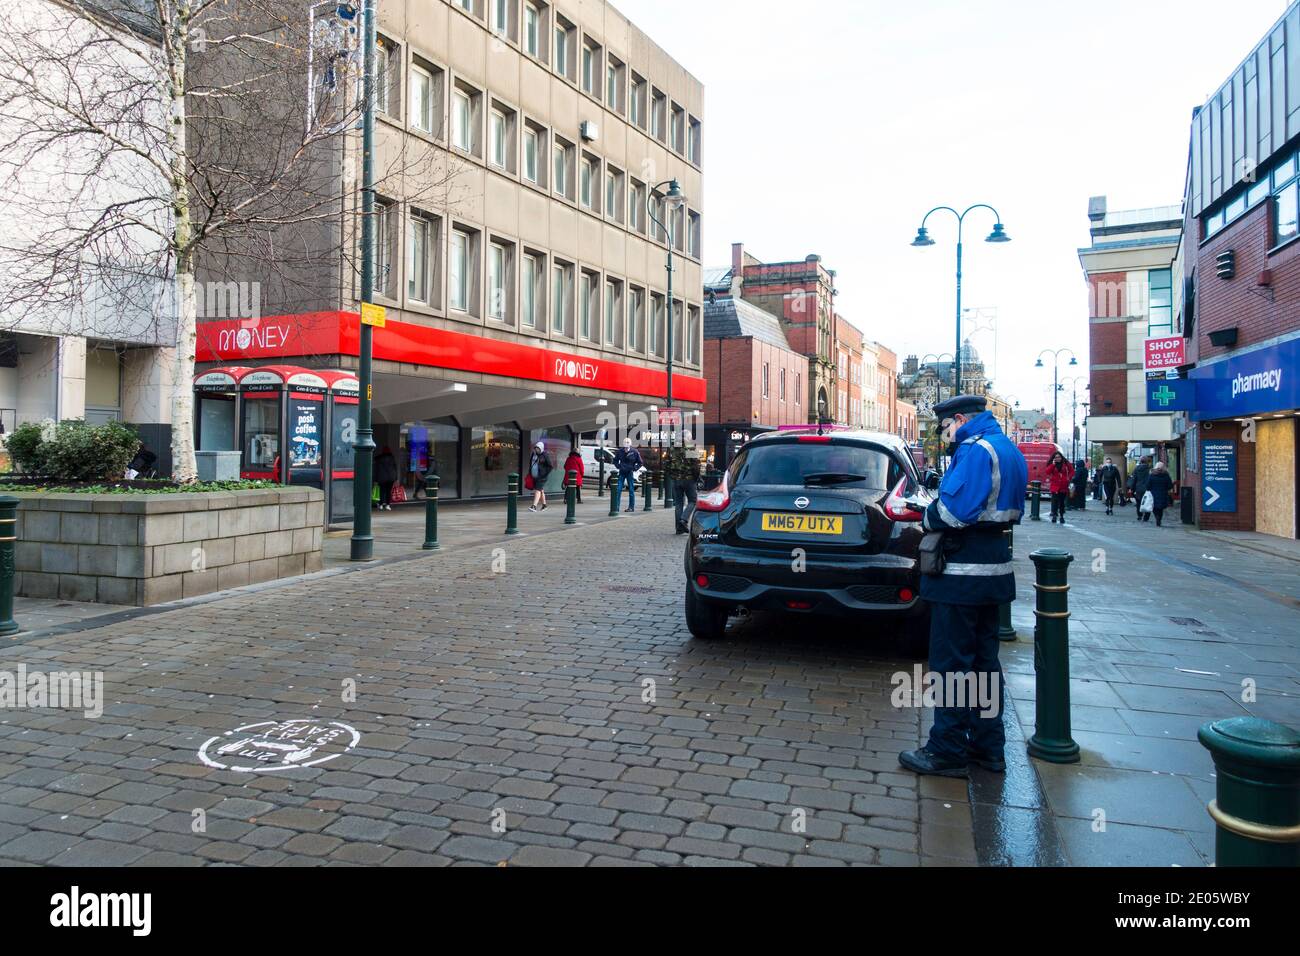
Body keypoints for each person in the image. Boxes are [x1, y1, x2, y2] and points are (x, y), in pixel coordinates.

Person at [899, 394, 1028, 778]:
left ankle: (947, 750)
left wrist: (926, 513)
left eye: (945, 427)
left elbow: (951, 512)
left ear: (959, 419)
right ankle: (988, 747)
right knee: (984, 665)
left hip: (961, 575)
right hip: (994, 569)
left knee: (952, 665)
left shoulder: (974, 450)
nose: (946, 435)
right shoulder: (1008, 448)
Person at [665, 443, 701, 534]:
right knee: (693, 501)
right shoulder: (690, 447)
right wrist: (696, 478)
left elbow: (666, 464)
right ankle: (684, 520)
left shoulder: (671, 448)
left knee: (678, 504)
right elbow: (696, 465)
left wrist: (672, 476)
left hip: (676, 479)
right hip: (689, 479)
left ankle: (679, 528)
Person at [613, 437, 644, 513]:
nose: (626, 449)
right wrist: (618, 466)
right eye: (625, 448)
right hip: (622, 472)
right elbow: (615, 460)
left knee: (631, 490)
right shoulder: (620, 451)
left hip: (629, 472)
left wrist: (634, 468)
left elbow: (640, 462)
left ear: (630, 446)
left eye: (627, 447)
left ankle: (631, 507)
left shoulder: (634, 452)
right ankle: (616, 507)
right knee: (618, 489)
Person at [1045, 451, 1073, 524]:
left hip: (1063, 486)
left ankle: (1061, 516)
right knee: (1054, 501)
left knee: (1061, 502)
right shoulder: (1052, 464)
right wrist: (1053, 465)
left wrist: (1068, 478)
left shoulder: (1066, 464)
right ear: (1054, 458)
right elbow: (1047, 472)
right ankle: (1054, 515)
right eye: (1056, 457)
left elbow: (1072, 471)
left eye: (1059, 457)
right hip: (1055, 486)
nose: (1058, 459)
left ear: (1061, 457)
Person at [1146, 460, 1174, 527]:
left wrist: (1149, 489)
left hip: (1153, 494)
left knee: (1154, 507)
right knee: (1160, 508)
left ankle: (1157, 517)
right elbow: (1170, 486)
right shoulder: (1166, 475)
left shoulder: (1152, 475)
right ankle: (1159, 519)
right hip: (1163, 494)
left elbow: (1147, 486)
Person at [528, 441, 552, 512]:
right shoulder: (533, 454)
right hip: (535, 475)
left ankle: (534, 506)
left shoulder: (545, 455)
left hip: (542, 476)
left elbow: (550, 466)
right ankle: (544, 505)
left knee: (537, 490)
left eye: (538, 448)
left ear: (541, 448)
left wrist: (544, 474)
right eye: (536, 448)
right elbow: (531, 463)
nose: (536, 449)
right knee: (541, 490)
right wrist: (530, 472)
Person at [1128, 455, 1153, 523]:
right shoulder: (1149, 469)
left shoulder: (1136, 469)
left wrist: (1132, 489)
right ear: (1147, 461)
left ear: (1140, 461)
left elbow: (1134, 479)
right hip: (1147, 489)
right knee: (1147, 502)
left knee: (1139, 503)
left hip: (1138, 489)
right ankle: (1146, 517)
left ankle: (1139, 515)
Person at [374, 446, 398, 511]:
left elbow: (377, 470)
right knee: (388, 492)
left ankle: (381, 504)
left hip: (382, 478)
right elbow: (395, 468)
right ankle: (388, 505)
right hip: (391, 478)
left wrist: (375, 479)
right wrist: (396, 478)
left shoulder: (379, 459)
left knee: (382, 491)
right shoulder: (392, 458)